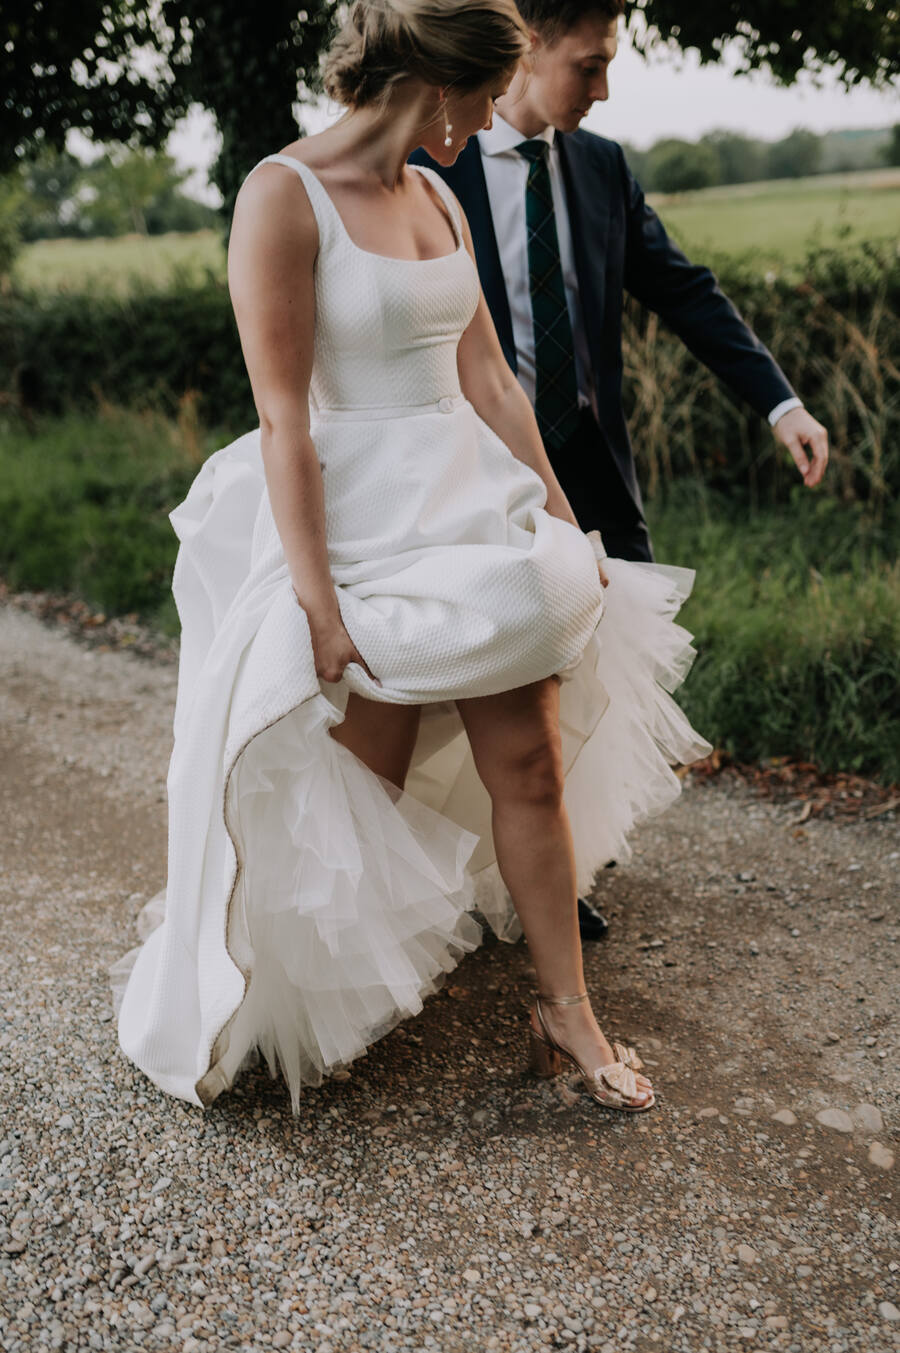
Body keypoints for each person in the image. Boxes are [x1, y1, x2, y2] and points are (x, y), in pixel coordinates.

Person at [109, 0, 711, 1119]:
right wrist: (319, 605)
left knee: (525, 763)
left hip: (471, 513)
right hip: (360, 531)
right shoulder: (279, 198)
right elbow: (285, 419)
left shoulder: (435, 193)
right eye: (486, 99)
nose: (490, 124)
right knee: (361, 784)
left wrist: (564, 516)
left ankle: (566, 1014)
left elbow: (487, 379)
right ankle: (317, 1001)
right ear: (442, 84)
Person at [411, 0, 829, 941]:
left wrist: (781, 402)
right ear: (526, 49)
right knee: (471, 683)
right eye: (589, 65)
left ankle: (552, 874)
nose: (605, 87)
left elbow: (682, 289)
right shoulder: (429, 168)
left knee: (590, 676)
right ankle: (457, 880)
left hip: (593, 473)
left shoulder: (599, 166)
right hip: (465, 478)